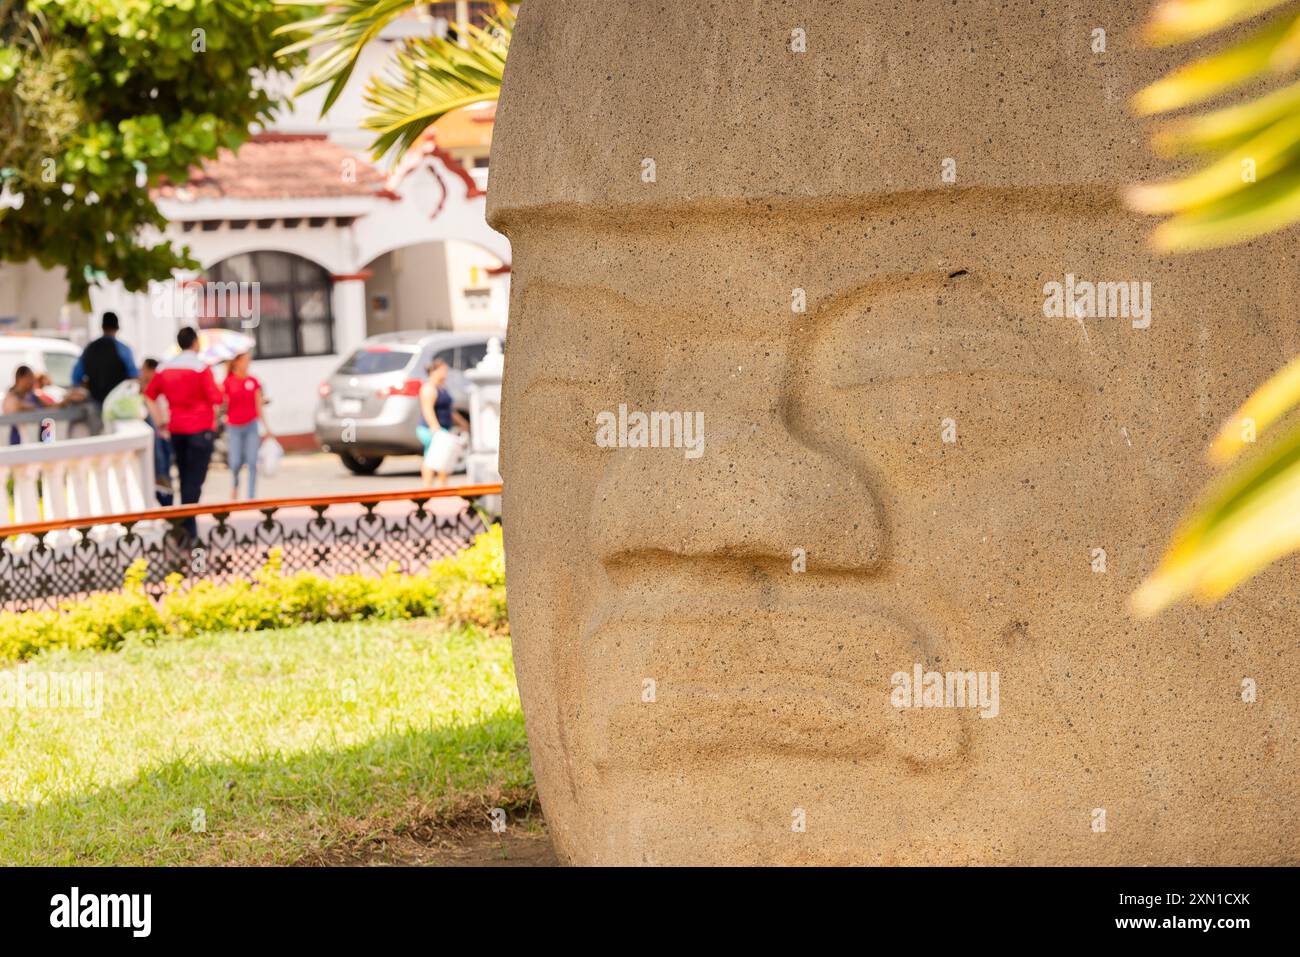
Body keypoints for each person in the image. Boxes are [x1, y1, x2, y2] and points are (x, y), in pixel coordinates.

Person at [142, 327, 221, 536]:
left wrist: (160, 422)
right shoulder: (201, 368)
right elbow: (216, 398)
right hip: (200, 429)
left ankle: (186, 525)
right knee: (194, 481)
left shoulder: (165, 368)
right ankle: (188, 527)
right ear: (195, 343)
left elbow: (149, 396)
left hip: (177, 430)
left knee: (185, 477)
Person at [222, 351, 272, 500]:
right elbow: (223, 403)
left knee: (252, 462)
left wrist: (267, 428)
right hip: (234, 427)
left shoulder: (253, 381)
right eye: (245, 360)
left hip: (251, 426)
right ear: (237, 362)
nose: (248, 363)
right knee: (235, 462)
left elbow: (258, 406)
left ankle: (251, 497)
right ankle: (235, 485)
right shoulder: (228, 382)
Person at [418, 358, 469, 488]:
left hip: (444, 428)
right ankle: (428, 487)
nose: (445, 373)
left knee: (444, 457)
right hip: (430, 429)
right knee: (431, 457)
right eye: (443, 370)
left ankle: (442, 486)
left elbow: (450, 410)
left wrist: (463, 423)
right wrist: (435, 427)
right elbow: (427, 409)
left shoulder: (442, 388)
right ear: (433, 371)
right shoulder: (429, 388)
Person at [72, 311, 138, 406]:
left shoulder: (90, 348)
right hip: (118, 403)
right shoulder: (124, 349)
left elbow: (76, 377)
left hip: (95, 401)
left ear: (102, 327)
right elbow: (133, 376)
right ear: (117, 328)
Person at [139, 358, 173, 506]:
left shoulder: (154, 389)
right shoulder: (143, 389)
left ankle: (167, 505)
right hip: (158, 436)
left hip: (162, 435)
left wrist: (162, 425)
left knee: (162, 472)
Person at [3, 365, 50, 445]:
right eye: (29, 377)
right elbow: (12, 407)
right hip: (17, 443)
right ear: (20, 378)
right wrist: (31, 407)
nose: (32, 381)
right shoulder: (11, 396)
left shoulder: (33, 396)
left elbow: (48, 406)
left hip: (35, 441)